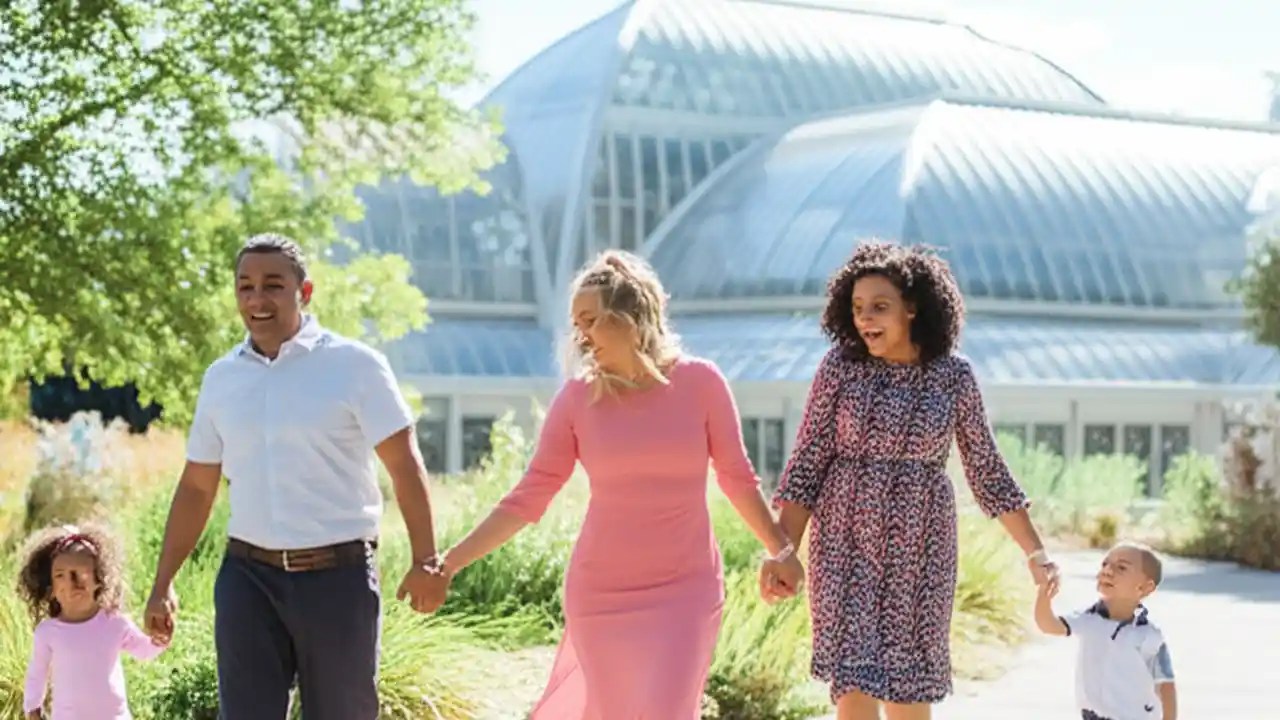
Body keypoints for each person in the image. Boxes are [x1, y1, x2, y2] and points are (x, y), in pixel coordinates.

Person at [429, 250, 804, 718]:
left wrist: (781, 549)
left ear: (632, 315)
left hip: (685, 591)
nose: (580, 337)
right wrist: (450, 563)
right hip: (601, 596)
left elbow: (737, 477)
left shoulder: (700, 383)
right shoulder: (576, 400)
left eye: (590, 320)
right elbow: (528, 498)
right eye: (575, 324)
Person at [141, 233, 444, 720]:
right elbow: (198, 487)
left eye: (273, 285)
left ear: (304, 292)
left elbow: (405, 464)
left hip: (338, 579)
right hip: (247, 579)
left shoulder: (355, 366)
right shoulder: (222, 378)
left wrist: (426, 559)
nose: (257, 299)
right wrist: (162, 583)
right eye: (245, 287)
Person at [765, 240, 1059, 720]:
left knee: (909, 687)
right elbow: (807, 465)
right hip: (843, 545)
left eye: (880, 307)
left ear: (913, 310)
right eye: (858, 308)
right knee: (853, 684)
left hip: (921, 550)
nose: (865, 320)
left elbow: (985, 468)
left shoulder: (952, 377)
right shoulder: (840, 368)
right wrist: (783, 552)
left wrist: (1036, 551)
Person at [19, 523, 167, 719]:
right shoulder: (47, 632)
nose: (71, 582)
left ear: (99, 578)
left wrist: (161, 635)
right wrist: (33, 709)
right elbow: (37, 675)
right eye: (60, 575)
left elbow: (145, 651)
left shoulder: (114, 623)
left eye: (80, 573)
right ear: (51, 588)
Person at [1035, 541, 1178, 720]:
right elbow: (1048, 625)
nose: (1107, 571)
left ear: (1144, 588)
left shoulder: (1149, 636)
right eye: (1105, 564)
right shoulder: (1088, 620)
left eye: (1121, 568)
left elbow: (1166, 685)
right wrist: (1043, 596)